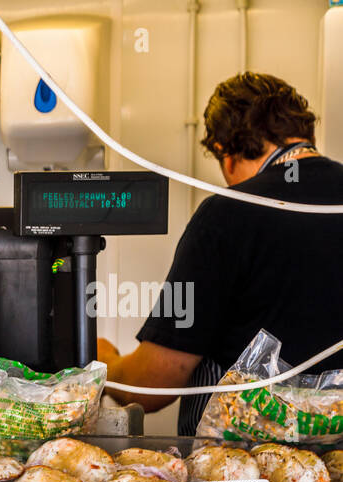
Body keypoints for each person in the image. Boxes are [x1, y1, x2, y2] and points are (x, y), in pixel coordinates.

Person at [97, 72, 343, 434]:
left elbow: (154, 384)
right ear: (307, 135)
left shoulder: (225, 215)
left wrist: (106, 363)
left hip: (242, 476)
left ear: (227, 156)